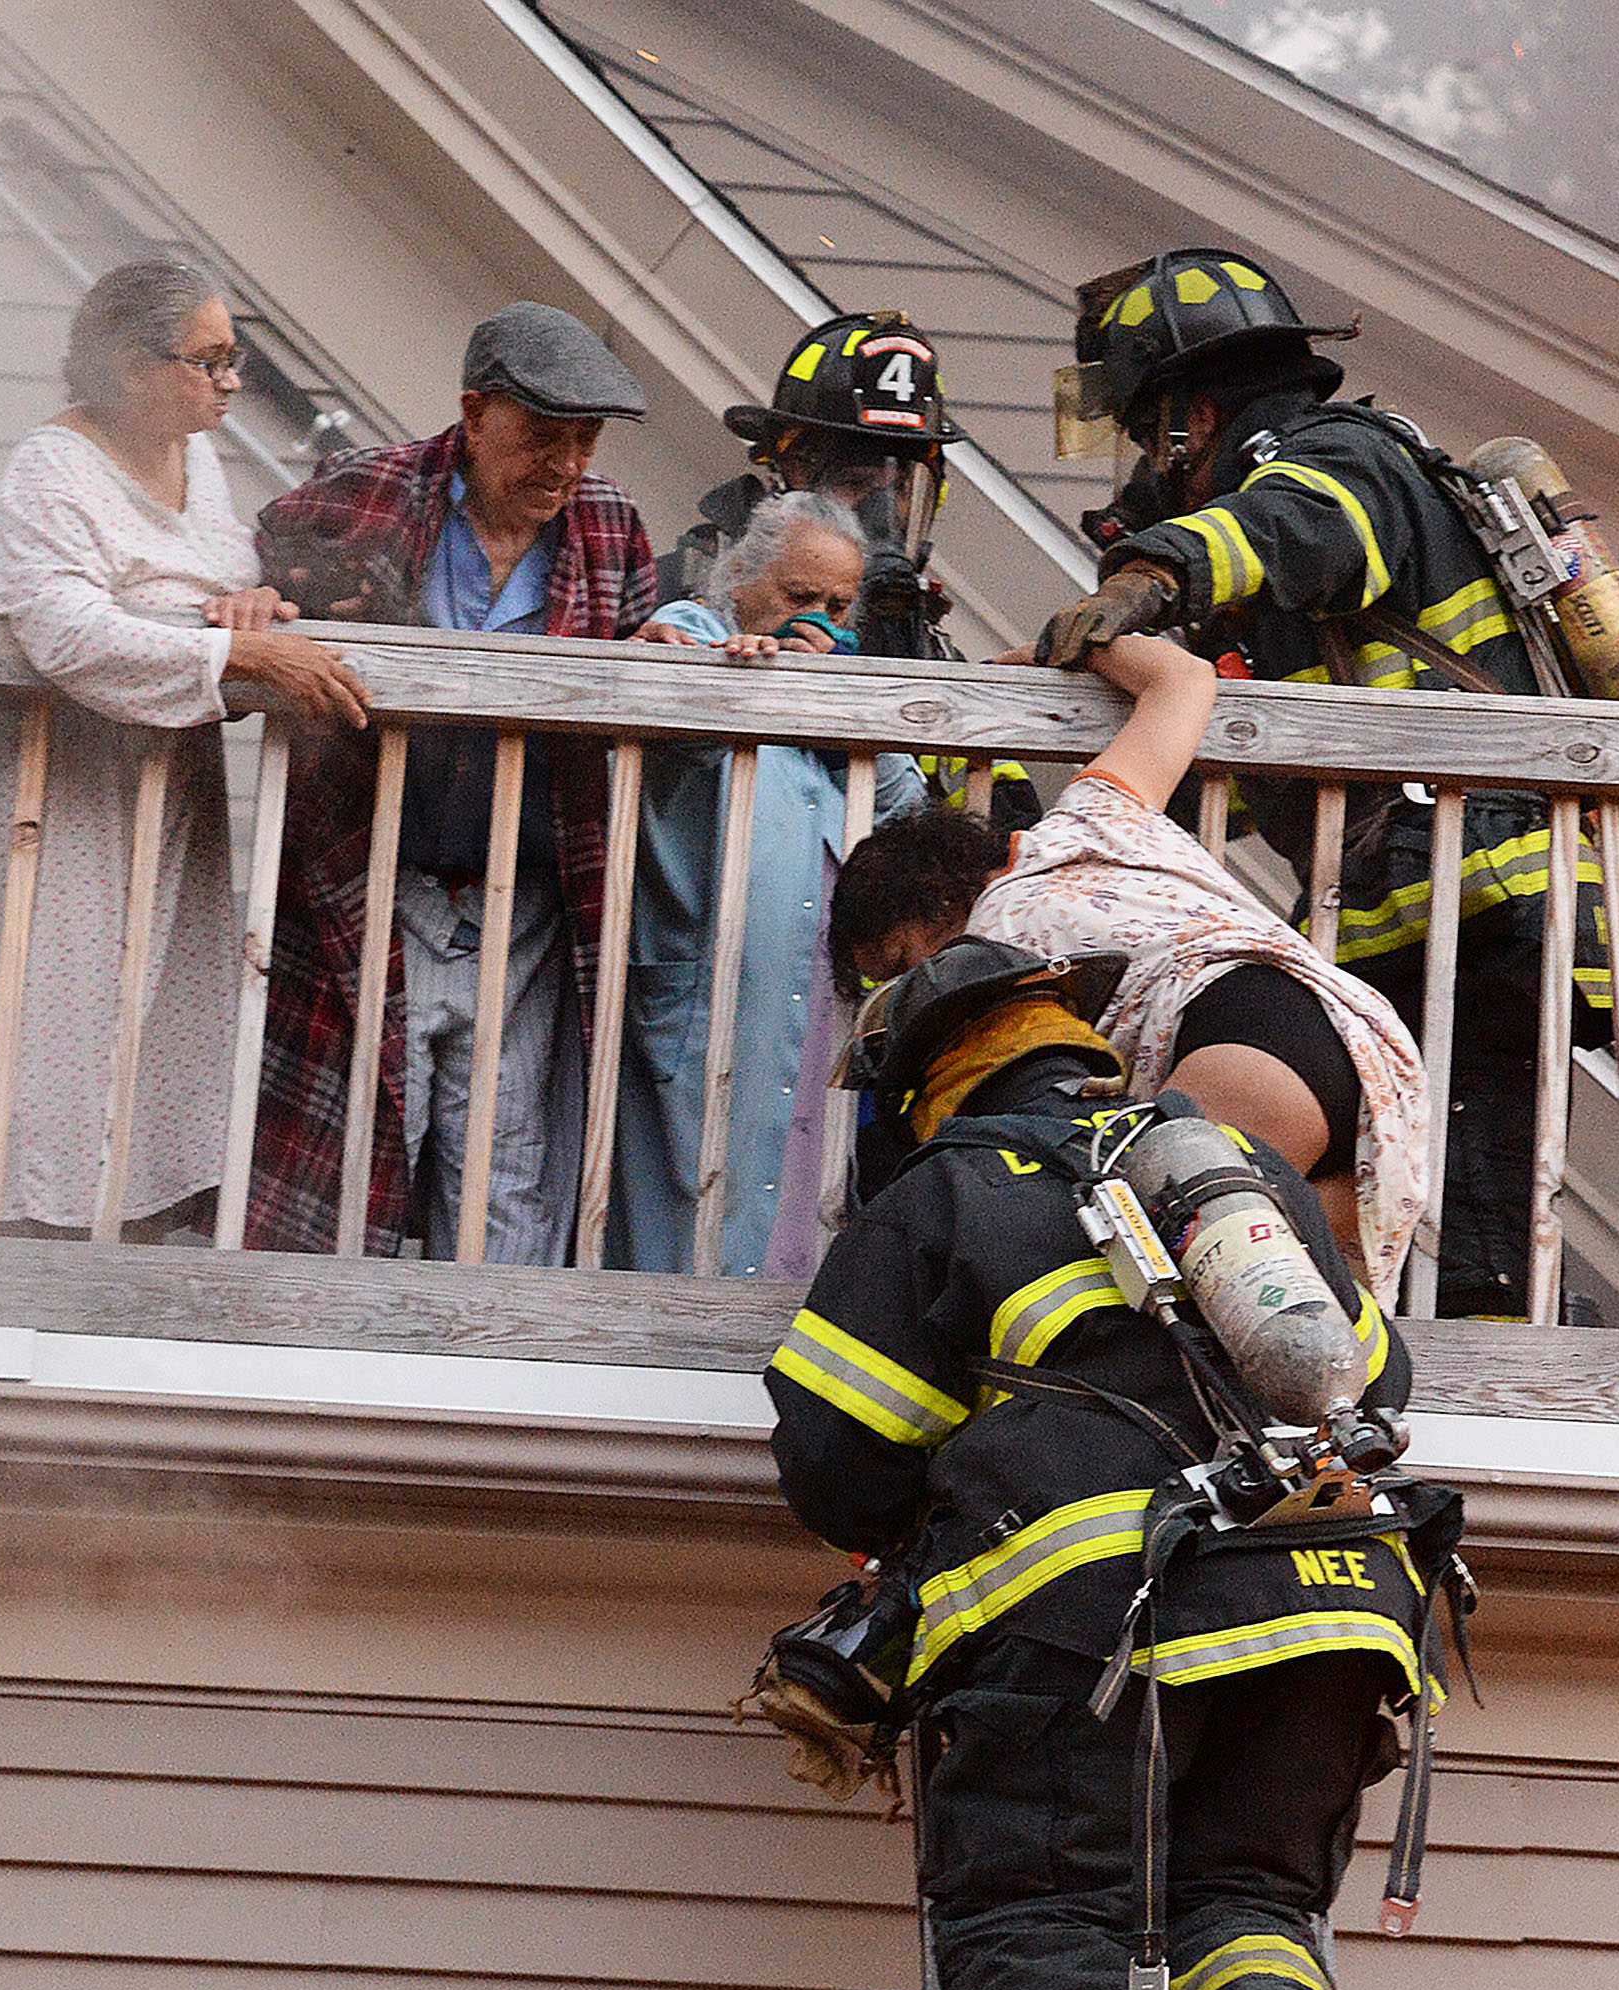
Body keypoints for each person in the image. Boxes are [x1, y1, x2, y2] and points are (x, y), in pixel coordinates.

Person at [763, 917, 1442, 1990]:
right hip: (1333, 1601)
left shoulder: (945, 1193)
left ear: (920, 1089)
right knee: (1240, 1891)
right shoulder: (1227, 1169)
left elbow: (838, 1458)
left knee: (1042, 1915)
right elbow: (1371, 1377)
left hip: (1097, 1626)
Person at [1036, 247, 1617, 1315]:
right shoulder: (1278, 534)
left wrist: (1157, 571)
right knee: (1404, 1196)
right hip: (1400, 911)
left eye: (1150, 435)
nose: (1148, 467)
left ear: (1194, 417)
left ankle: (1494, 1373)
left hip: (1481, 902)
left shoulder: (1343, 460)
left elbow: (1294, 529)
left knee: (1470, 1228)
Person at [0, 259, 366, 1238]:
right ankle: (20, 1260)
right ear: (131, 366)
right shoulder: (52, 468)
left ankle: (122, 1260)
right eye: (209, 361)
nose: (232, 382)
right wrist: (236, 652)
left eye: (233, 358)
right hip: (58, 805)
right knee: (47, 1042)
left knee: (152, 1040)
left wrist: (248, 603)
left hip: (166, 800)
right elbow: (64, 629)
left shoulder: (194, 461)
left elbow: (212, 575)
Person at [828, 633, 1427, 1302]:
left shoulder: (984, 954)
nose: (909, 991)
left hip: (1229, 1039)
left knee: (1125, 1286)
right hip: (1365, 1058)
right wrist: (1064, 645)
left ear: (929, 897)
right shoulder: (1094, 813)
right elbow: (1183, 679)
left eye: (901, 963)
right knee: (1280, 1326)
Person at [247, 302, 657, 1259]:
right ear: (474, 415)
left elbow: (643, 651)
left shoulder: (609, 528)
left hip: (526, 902)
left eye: (585, 440)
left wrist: (670, 647)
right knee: (350, 1152)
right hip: (372, 879)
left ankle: (489, 1349)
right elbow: (256, 568)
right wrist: (254, 603)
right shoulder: (369, 492)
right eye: (543, 435)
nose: (565, 463)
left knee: (505, 1169)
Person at [611, 494, 925, 1277]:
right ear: (740, 580)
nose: (818, 620)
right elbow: (671, 723)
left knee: (797, 1209)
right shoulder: (699, 632)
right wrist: (743, 684)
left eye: (839, 606)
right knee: (686, 1223)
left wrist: (840, 705)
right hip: (707, 1002)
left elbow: (907, 811)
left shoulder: (840, 682)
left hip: (817, 1002)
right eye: (798, 596)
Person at [662, 308, 1040, 829]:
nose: (880, 517)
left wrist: (972, 701)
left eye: (900, 487)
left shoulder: (923, 645)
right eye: (857, 482)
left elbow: (1002, 823)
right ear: (792, 472)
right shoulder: (683, 601)